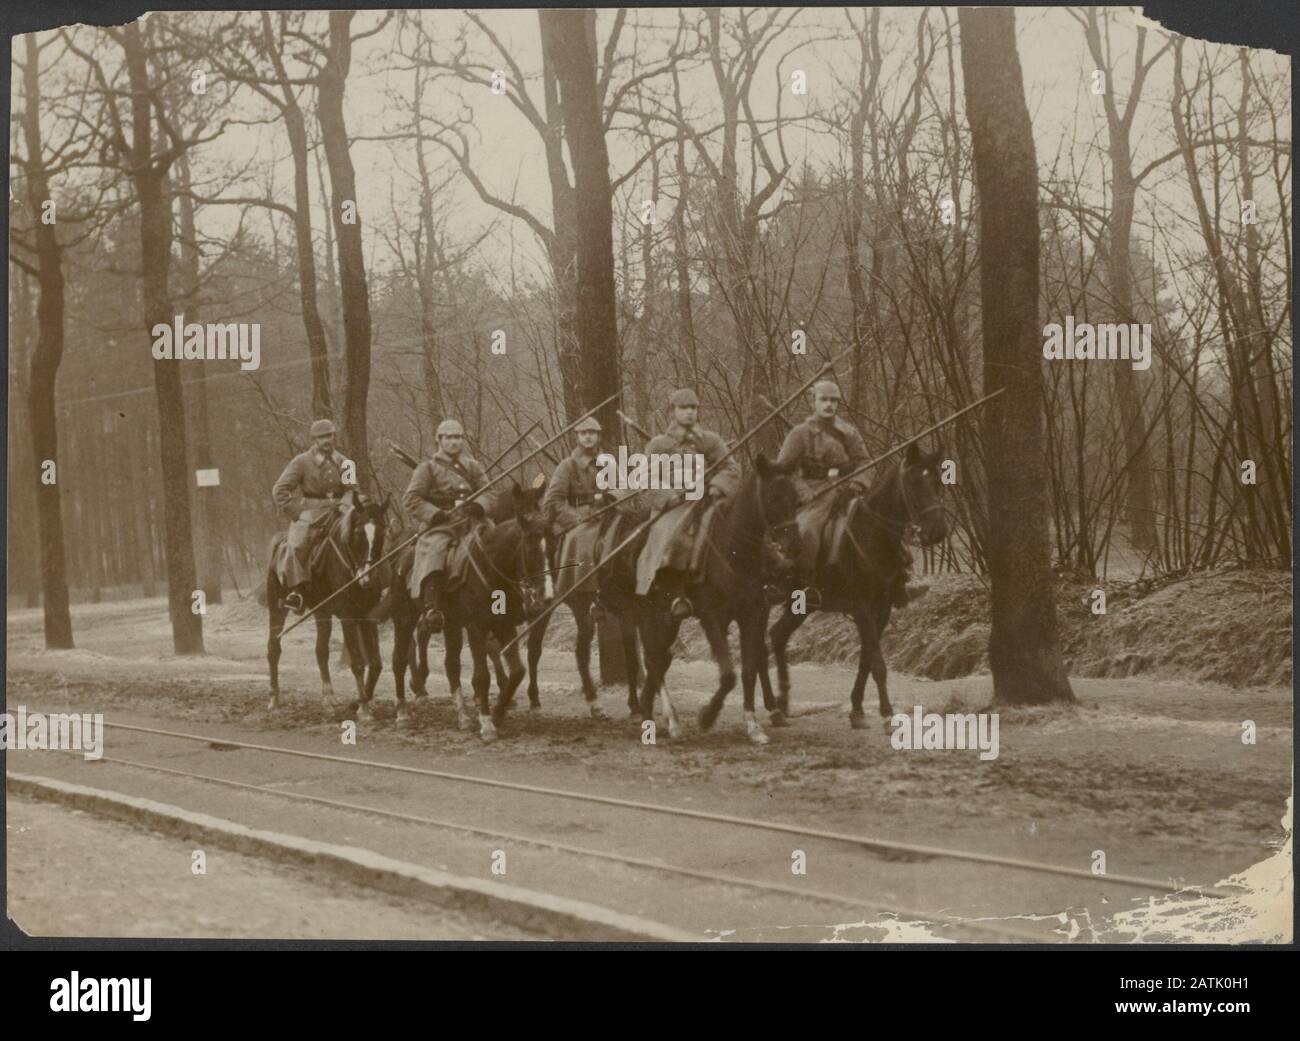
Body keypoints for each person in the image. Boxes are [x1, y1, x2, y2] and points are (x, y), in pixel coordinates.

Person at [636, 388, 739, 619]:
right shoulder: (658, 444)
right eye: (684, 408)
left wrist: (716, 487)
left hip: (709, 499)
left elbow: (730, 468)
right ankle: (677, 594)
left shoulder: (711, 441)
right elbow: (646, 479)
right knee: (673, 536)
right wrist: (668, 496)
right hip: (674, 506)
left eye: (693, 408)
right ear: (673, 411)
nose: (689, 413)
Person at [402, 419, 491, 634]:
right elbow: (411, 499)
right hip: (441, 525)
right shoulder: (427, 469)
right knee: (435, 550)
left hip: (472, 522)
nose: (454, 441)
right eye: (449, 437)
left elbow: (490, 492)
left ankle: (503, 606)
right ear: (439, 440)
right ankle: (432, 606)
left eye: (458, 437)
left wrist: (480, 505)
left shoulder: (473, 466)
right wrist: (434, 514)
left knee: (499, 544)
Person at [272, 419, 351, 614]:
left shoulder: (346, 462)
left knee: (363, 536)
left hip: (340, 511)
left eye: (330, 436)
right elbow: (279, 489)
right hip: (310, 513)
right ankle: (296, 591)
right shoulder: (301, 462)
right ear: (314, 439)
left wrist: (346, 504)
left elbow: (352, 489)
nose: (327, 440)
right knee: (296, 544)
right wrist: (296, 513)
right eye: (322, 437)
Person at [542, 415, 605, 603]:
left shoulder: (608, 463)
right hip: (578, 520)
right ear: (577, 437)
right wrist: (578, 517)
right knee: (582, 540)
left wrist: (612, 499)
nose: (588, 437)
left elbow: (621, 489)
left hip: (606, 514)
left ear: (598, 436)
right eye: (584, 433)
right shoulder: (567, 466)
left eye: (592, 433)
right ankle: (588, 592)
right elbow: (553, 501)